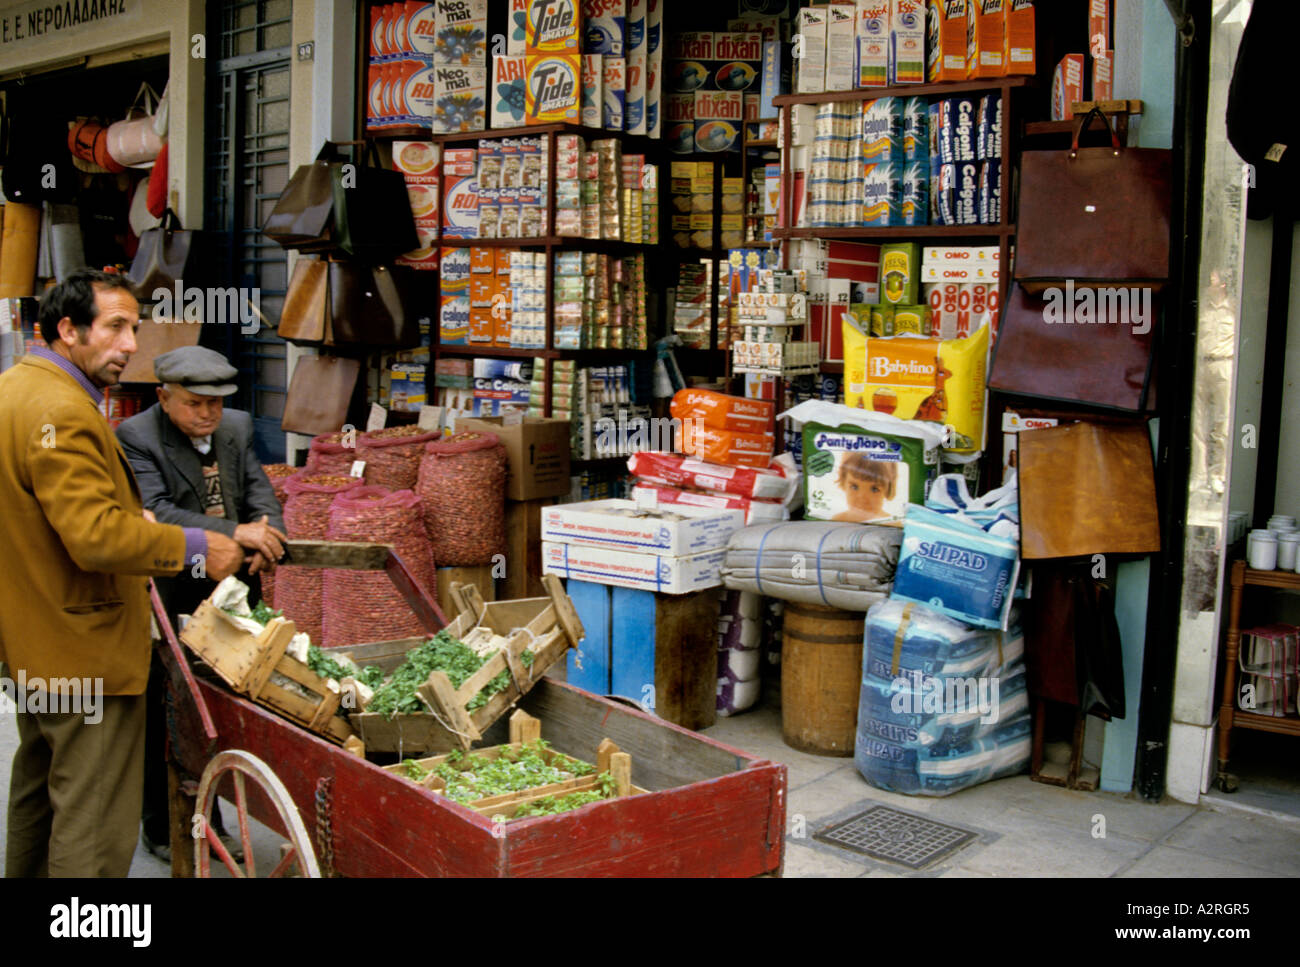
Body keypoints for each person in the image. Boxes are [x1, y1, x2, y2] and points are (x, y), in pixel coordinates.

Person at [0, 269, 242, 877]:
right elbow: (94, 538)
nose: (132, 344)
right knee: (94, 824)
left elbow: (44, 513)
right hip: (87, 654)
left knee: (40, 797)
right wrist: (197, 544)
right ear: (67, 329)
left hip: (35, 641)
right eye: (115, 327)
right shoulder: (63, 410)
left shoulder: (16, 390)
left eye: (134, 327)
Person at [116, 345, 287, 863]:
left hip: (233, 591)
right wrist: (237, 532)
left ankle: (212, 817)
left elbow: (260, 492)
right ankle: (163, 826)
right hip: (173, 586)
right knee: (168, 710)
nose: (208, 413)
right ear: (164, 397)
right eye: (195, 403)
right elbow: (158, 512)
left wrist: (269, 535)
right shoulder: (136, 436)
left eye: (215, 403)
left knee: (225, 706)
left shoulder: (234, 426)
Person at [832, 453, 899, 523]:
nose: (862, 499)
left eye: (874, 489)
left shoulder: (893, 524)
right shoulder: (838, 520)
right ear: (844, 483)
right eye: (854, 487)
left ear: (888, 490)